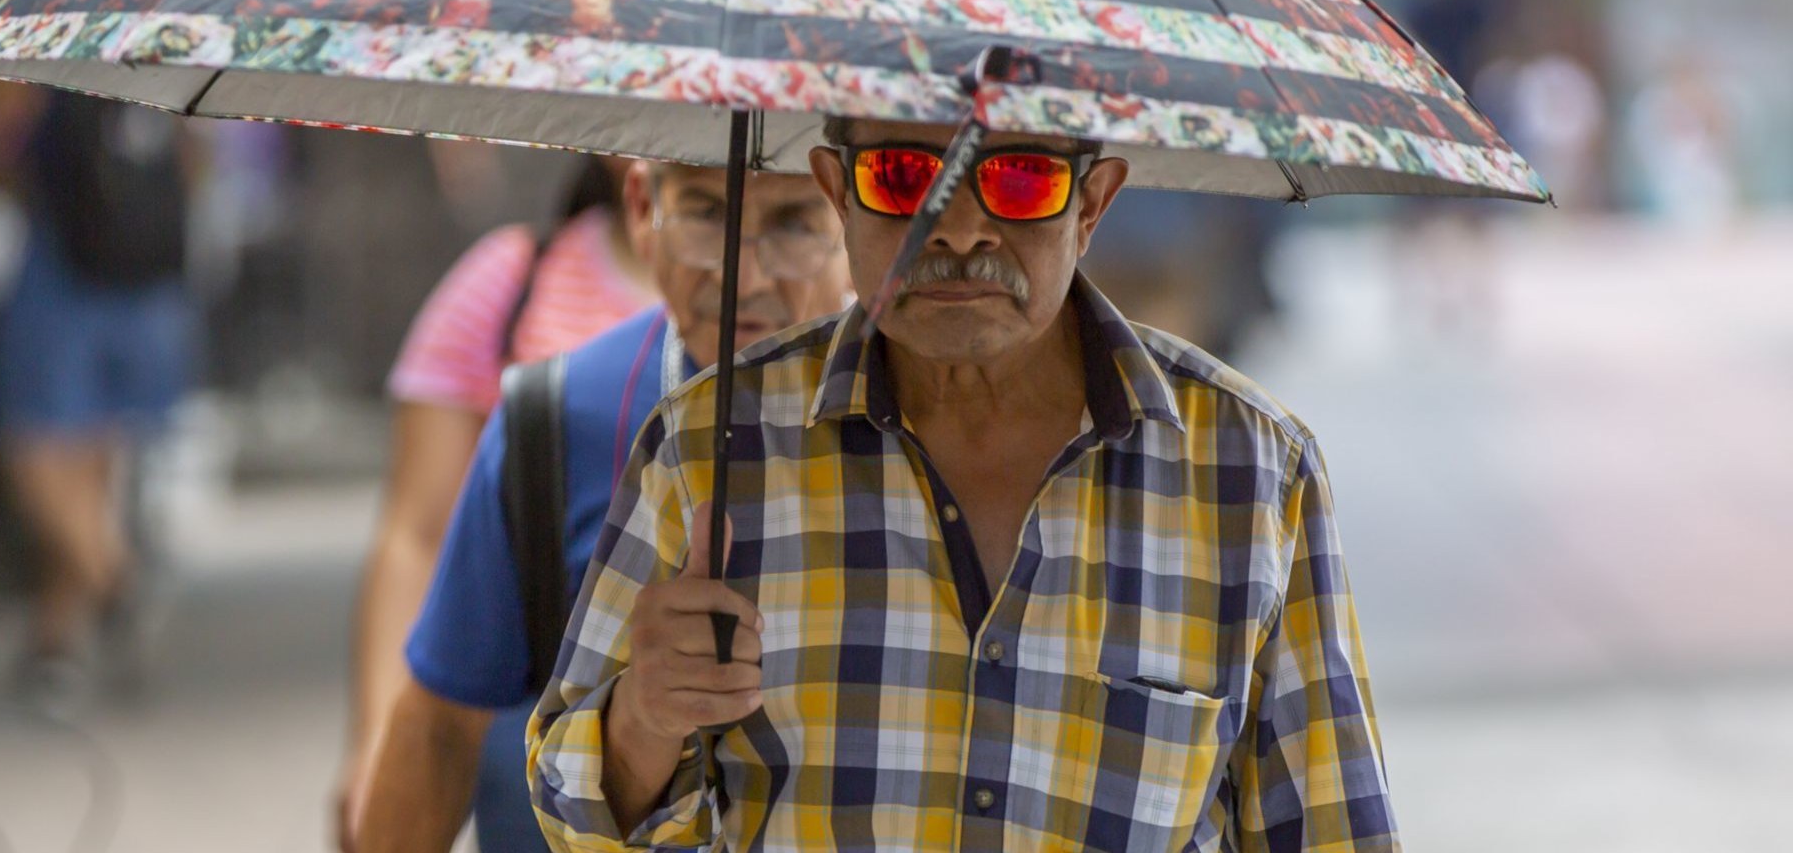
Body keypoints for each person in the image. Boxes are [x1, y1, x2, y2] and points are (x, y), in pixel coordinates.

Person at [530, 117, 1398, 851]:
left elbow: (1331, 828)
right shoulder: (707, 447)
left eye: (1020, 179)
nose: (959, 229)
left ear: (1092, 204)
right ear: (838, 191)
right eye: (904, 177)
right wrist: (644, 719)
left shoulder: (1251, 471)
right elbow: (571, 813)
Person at [354, 162, 850, 853]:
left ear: (854, 217)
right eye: (706, 214)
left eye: (793, 224)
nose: (745, 277)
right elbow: (439, 730)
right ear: (643, 209)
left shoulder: (932, 413)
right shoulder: (559, 419)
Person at [339, 155, 657, 848]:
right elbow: (417, 531)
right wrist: (380, 737)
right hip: (525, 713)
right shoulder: (511, 282)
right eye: (700, 209)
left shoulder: (827, 314)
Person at [0, 79, 197, 707]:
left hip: (65, 273)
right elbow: (193, 157)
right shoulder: (163, 47)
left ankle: (115, 581)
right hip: (148, 277)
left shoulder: (41, 52)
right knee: (91, 462)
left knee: (32, 446)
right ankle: (55, 641)